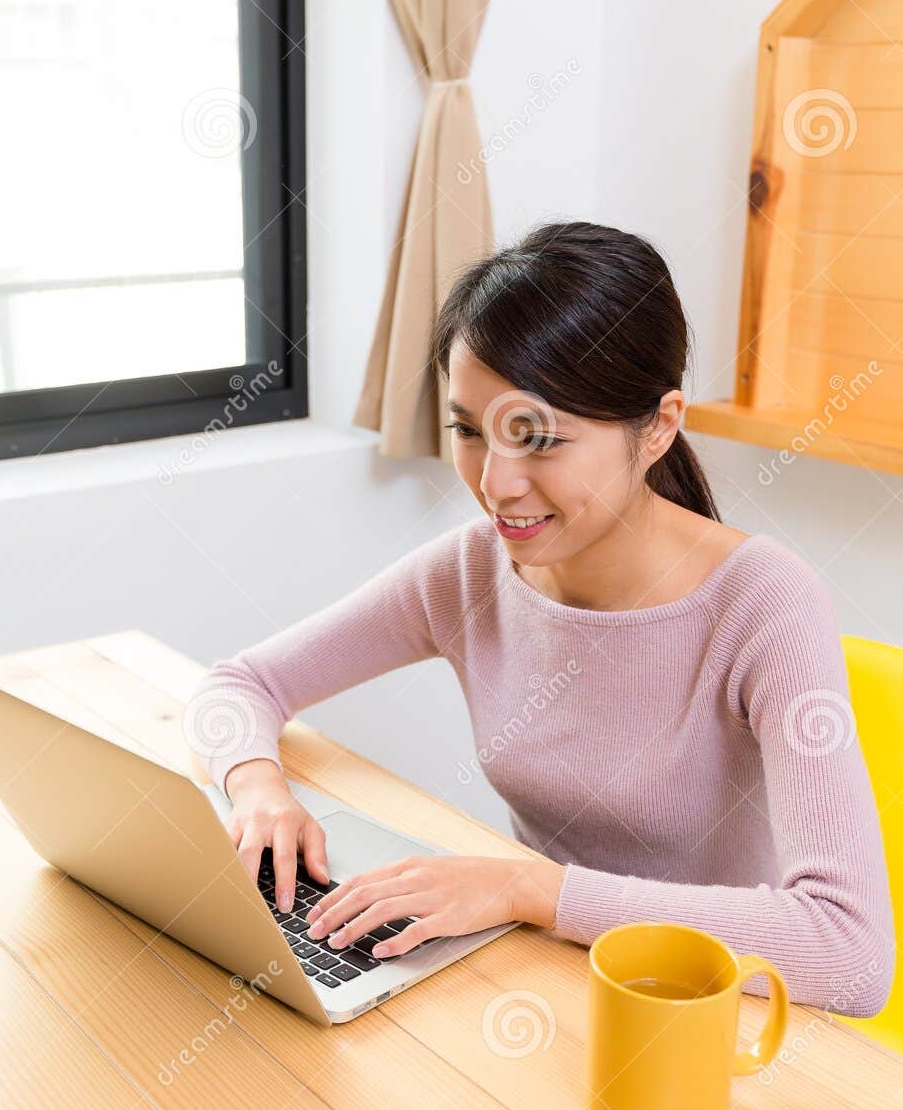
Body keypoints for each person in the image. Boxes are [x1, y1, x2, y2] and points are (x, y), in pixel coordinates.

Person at [188, 220, 893, 1014]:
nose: (496, 483)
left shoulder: (763, 603)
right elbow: (240, 684)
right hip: (537, 981)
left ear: (658, 425)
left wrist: (533, 889)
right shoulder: (469, 571)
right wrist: (257, 789)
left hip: (709, 1016)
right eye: (466, 430)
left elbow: (849, 953)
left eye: (539, 440)